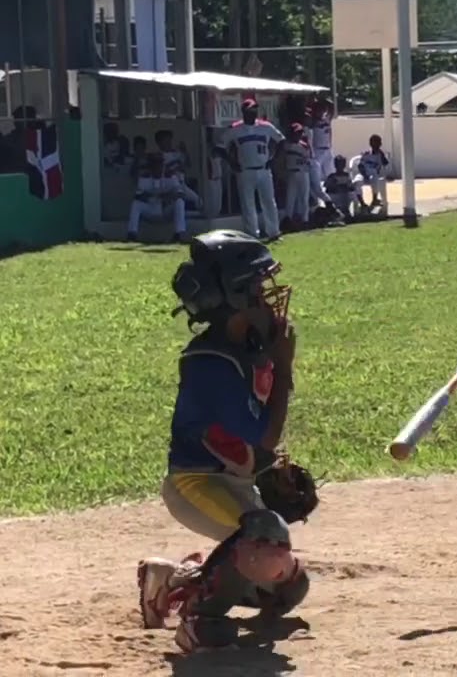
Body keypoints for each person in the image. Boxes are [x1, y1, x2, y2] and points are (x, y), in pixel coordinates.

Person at [136, 229, 310, 654]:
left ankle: (172, 582)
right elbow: (265, 436)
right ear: (235, 300)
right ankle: (196, 620)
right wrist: (284, 368)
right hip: (197, 484)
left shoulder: (247, 346)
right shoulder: (211, 363)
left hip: (232, 480)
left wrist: (270, 476)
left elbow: (255, 445)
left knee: (287, 589)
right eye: (256, 289)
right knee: (265, 541)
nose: (268, 297)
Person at [218, 99, 285, 242]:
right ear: (243, 112)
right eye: (250, 110)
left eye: (254, 109)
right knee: (248, 204)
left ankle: (273, 232)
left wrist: (273, 159)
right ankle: (252, 235)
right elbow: (220, 146)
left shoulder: (265, 126)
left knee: (268, 201)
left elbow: (281, 141)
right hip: (244, 170)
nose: (253, 113)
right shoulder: (235, 128)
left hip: (264, 168)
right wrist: (232, 162)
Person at [126, 152, 188, 243]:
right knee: (136, 204)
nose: (157, 166)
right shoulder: (145, 177)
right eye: (154, 163)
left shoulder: (169, 175)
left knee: (179, 202)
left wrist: (167, 197)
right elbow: (138, 196)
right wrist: (154, 197)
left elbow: (181, 194)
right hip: (150, 210)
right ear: (150, 165)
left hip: (165, 210)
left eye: (159, 163)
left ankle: (179, 234)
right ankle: (132, 234)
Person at [155, 130, 202, 211]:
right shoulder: (158, 156)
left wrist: (185, 151)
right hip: (168, 186)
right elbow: (161, 171)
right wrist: (176, 166)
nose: (168, 143)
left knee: (199, 202)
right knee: (175, 205)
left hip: (182, 184)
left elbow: (188, 164)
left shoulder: (176, 153)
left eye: (169, 140)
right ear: (159, 143)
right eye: (165, 140)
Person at [280, 123, 314, 229]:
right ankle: (288, 221)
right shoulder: (286, 145)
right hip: (291, 172)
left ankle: (305, 220)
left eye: (300, 133)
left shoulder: (304, 145)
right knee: (290, 198)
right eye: (296, 133)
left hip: (303, 172)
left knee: (304, 198)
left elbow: (310, 158)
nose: (298, 135)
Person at [355, 134, 390, 215]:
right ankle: (362, 203)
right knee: (357, 182)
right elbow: (360, 165)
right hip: (363, 173)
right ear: (371, 144)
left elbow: (386, 163)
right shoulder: (366, 153)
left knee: (374, 177)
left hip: (373, 174)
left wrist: (381, 154)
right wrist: (364, 174)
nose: (378, 145)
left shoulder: (380, 154)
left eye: (379, 143)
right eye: (376, 143)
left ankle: (374, 199)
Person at [323, 155, 358, 219]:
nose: (340, 166)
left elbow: (351, 187)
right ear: (335, 165)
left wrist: (346, 187)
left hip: (345, 196)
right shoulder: (331, 176)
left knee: (354, 195)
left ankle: (354, 214)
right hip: (335, 197)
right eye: (338, 164)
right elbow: (327, 190)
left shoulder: (347, 175)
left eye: (342, 164)